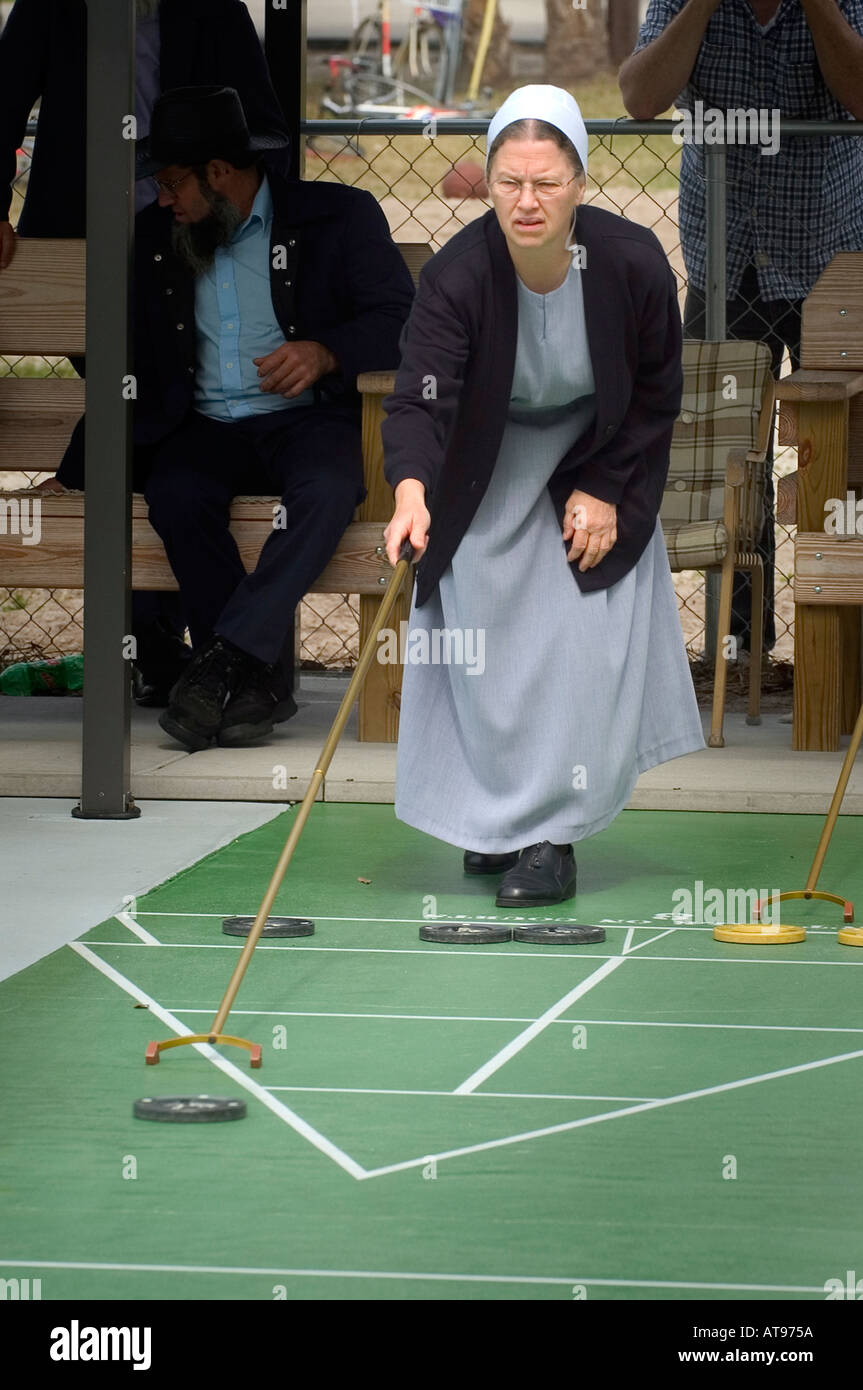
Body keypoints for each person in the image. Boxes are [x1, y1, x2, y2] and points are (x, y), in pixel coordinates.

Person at [381, 85, 705, 908]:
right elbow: (419, 398)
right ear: (487, 184)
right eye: (509, 182)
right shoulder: (457, 276)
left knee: (573, 641)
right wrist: (411, 492)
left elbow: (655, 394)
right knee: (484, 639)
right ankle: (498, 823)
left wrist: (605, 489)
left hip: (596, 453)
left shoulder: (631, 262)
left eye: (546, 182)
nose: (527, 202)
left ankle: (550, 835)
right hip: (488, 461)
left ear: (580, 184)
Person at [58, 85, 415, 752]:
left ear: (219, 174)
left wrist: (326, 352)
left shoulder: (337, 217)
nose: (164, 200)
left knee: (331, 489)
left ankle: (219, 663)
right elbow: (120, 351)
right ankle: (253, 682)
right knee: (175, 492)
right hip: (204, 427)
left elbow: (399, 320)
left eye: (172, 183)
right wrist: (89, 459)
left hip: (308, 421)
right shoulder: (157, 238)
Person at [0, 0, 291, 703]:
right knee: (151, 419)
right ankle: (163, 646)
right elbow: (5, 94)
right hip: (88, 238)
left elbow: (263, 122)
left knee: (166, 432)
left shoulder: (213, 12)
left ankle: (197, 652)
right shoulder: (54, 8)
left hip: (197, 243)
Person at [619, 0, 863, 656]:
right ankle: (739, 653)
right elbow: (641, 97)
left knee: (840, 463)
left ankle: (834, 654)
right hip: (723, 267)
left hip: (828, 262)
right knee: (722, 465)